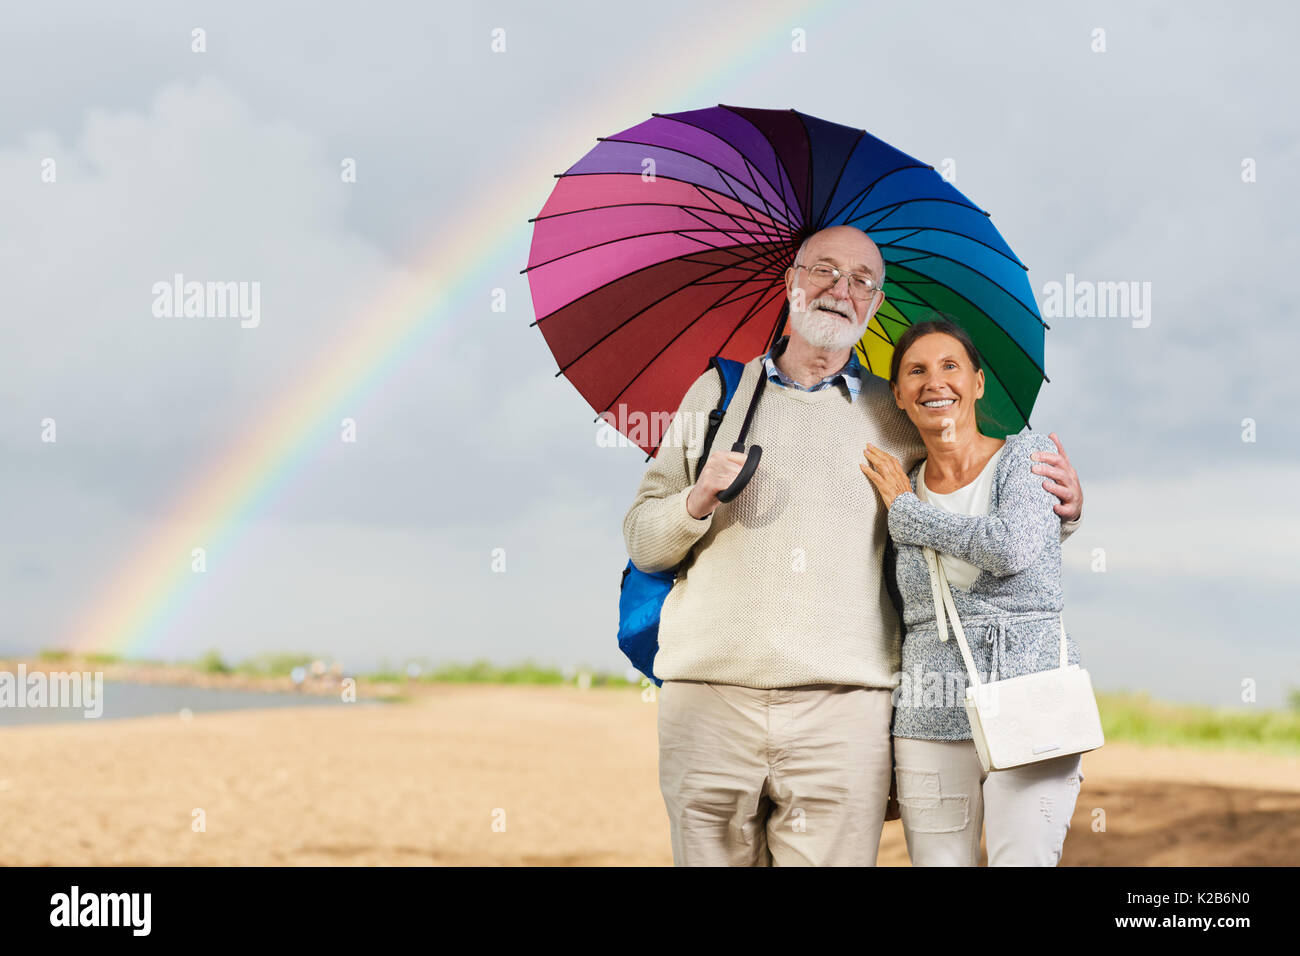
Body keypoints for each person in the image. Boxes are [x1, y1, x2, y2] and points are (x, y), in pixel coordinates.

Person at [623, 225, 1083, 866]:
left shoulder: (897, 411)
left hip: (846, 714)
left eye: (862, 279)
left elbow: (972, 492)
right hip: (708, 703)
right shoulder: (717, 396)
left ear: (874, 303)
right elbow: (645, 542)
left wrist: (1059, 513)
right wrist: (696, 499)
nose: (842, 289)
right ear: (790, 283)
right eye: (824, 271)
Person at [860, 316, 1085, 866]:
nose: (934, 382)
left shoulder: (1025, 458)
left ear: (977, 384)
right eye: (916, 371)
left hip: (1032, 699)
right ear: (899, 396)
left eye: (950, 366)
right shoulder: (898, 483)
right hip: (928, 716)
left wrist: (909, 517)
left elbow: (1010, 548)